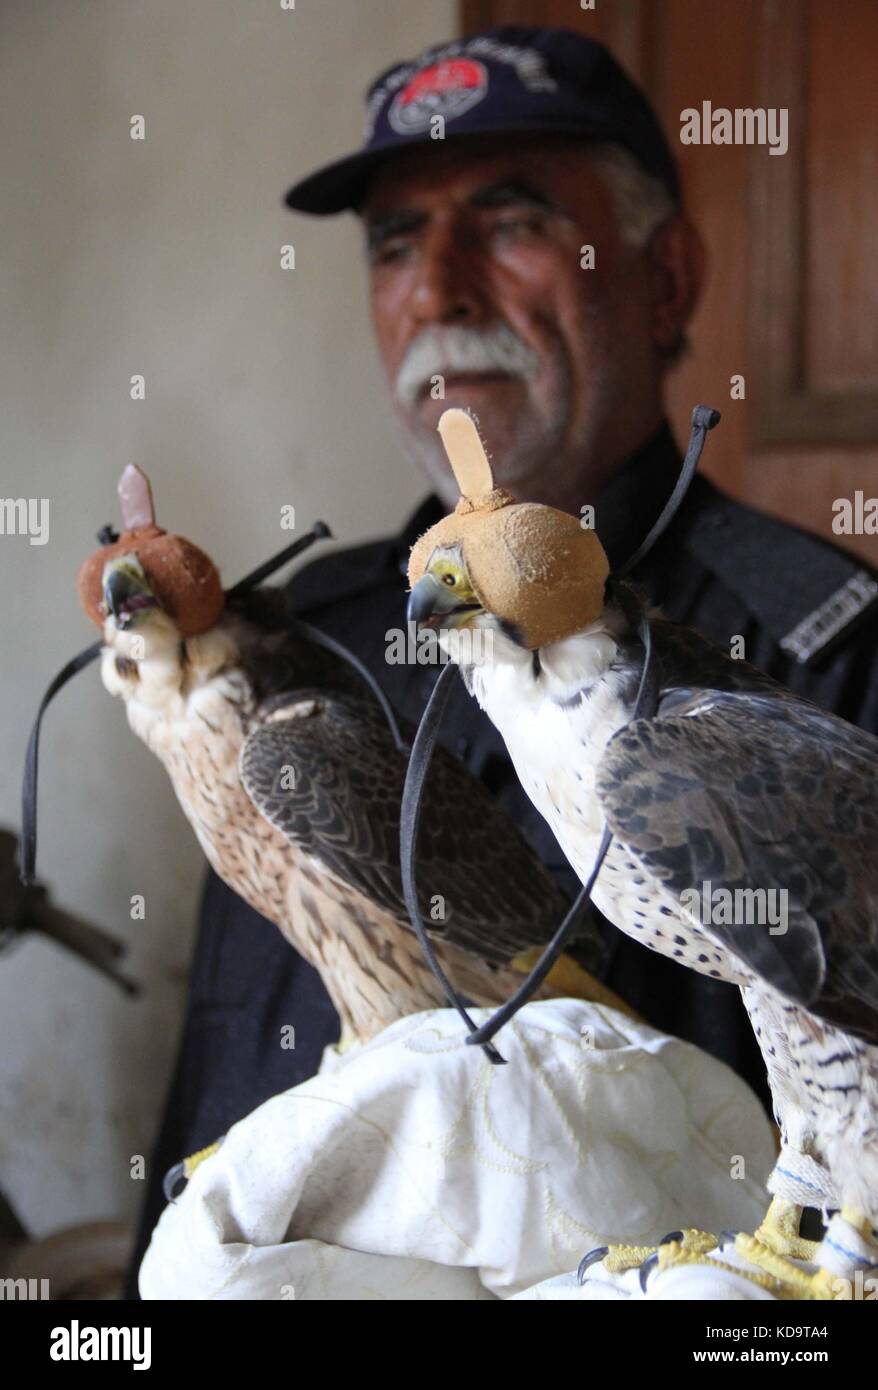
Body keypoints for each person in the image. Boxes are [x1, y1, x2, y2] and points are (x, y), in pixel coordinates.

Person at [126, 26, 878, 1293]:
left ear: (665, 276)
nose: (438, 289)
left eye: (510, 218)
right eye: (394, 242)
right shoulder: (302, 629)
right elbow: (230, 1070)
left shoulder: (824, 649)